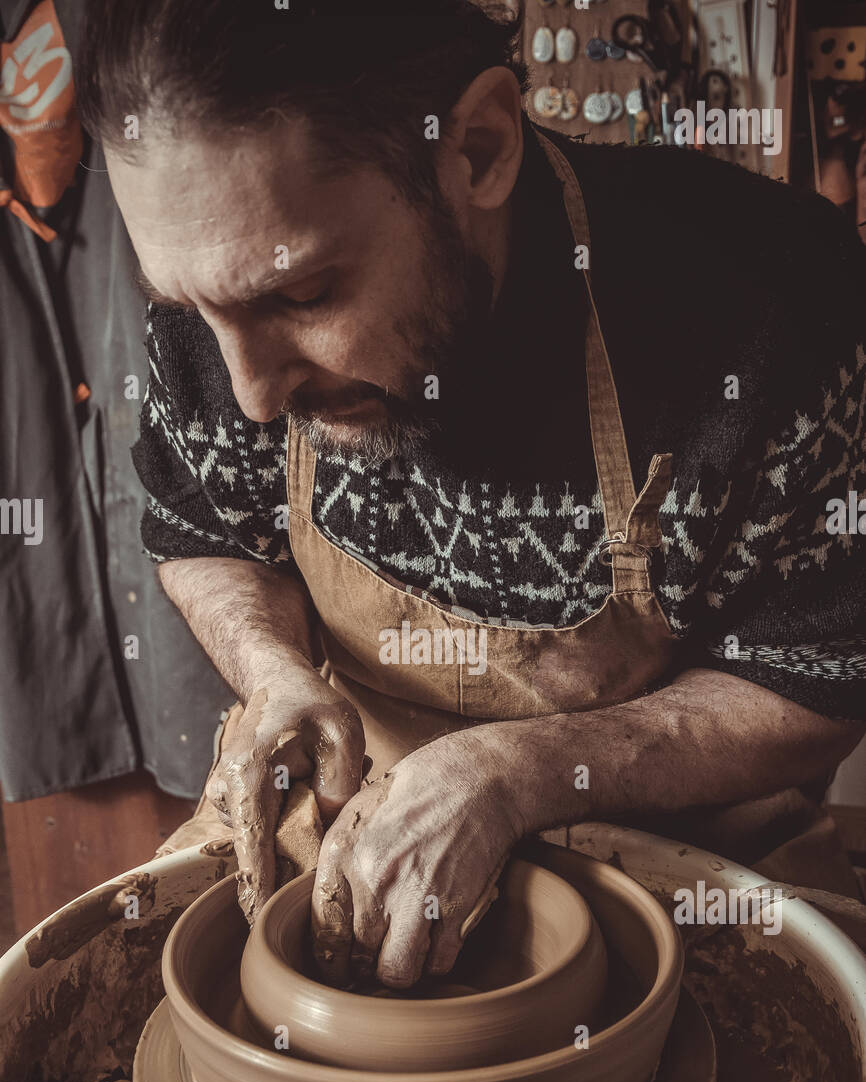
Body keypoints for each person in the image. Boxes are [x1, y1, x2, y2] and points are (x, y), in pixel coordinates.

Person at [76, 0, 866, 988]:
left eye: (304, 295)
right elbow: (205, 529)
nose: (251, 391)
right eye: (187, 307)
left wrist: (514, 772)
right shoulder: (223, 289)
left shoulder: (772, 313)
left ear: (477, 151)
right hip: (342, 804)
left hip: (684, 852)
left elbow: (820, 678)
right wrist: (275, 672)